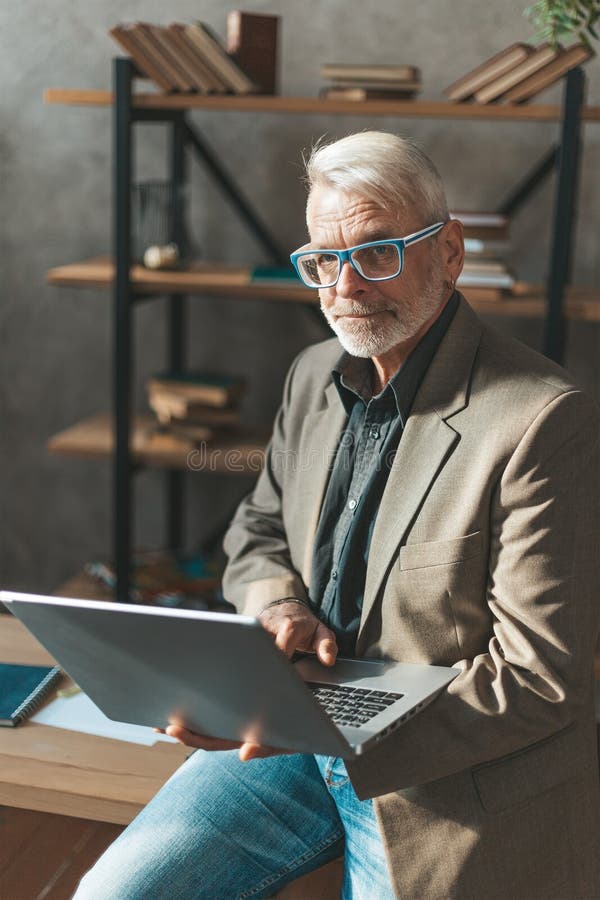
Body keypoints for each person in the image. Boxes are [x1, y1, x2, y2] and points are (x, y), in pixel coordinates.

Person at [75, 131, 600, 899]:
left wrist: (324, 722)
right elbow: (257, 531)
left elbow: (540, 678)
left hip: (445, 776)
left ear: (448, 251)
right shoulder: (314, 373)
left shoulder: (544, 422)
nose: (346, 285)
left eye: (378, 251)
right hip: (296, 733)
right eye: (325, 258)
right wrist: (280, 608)